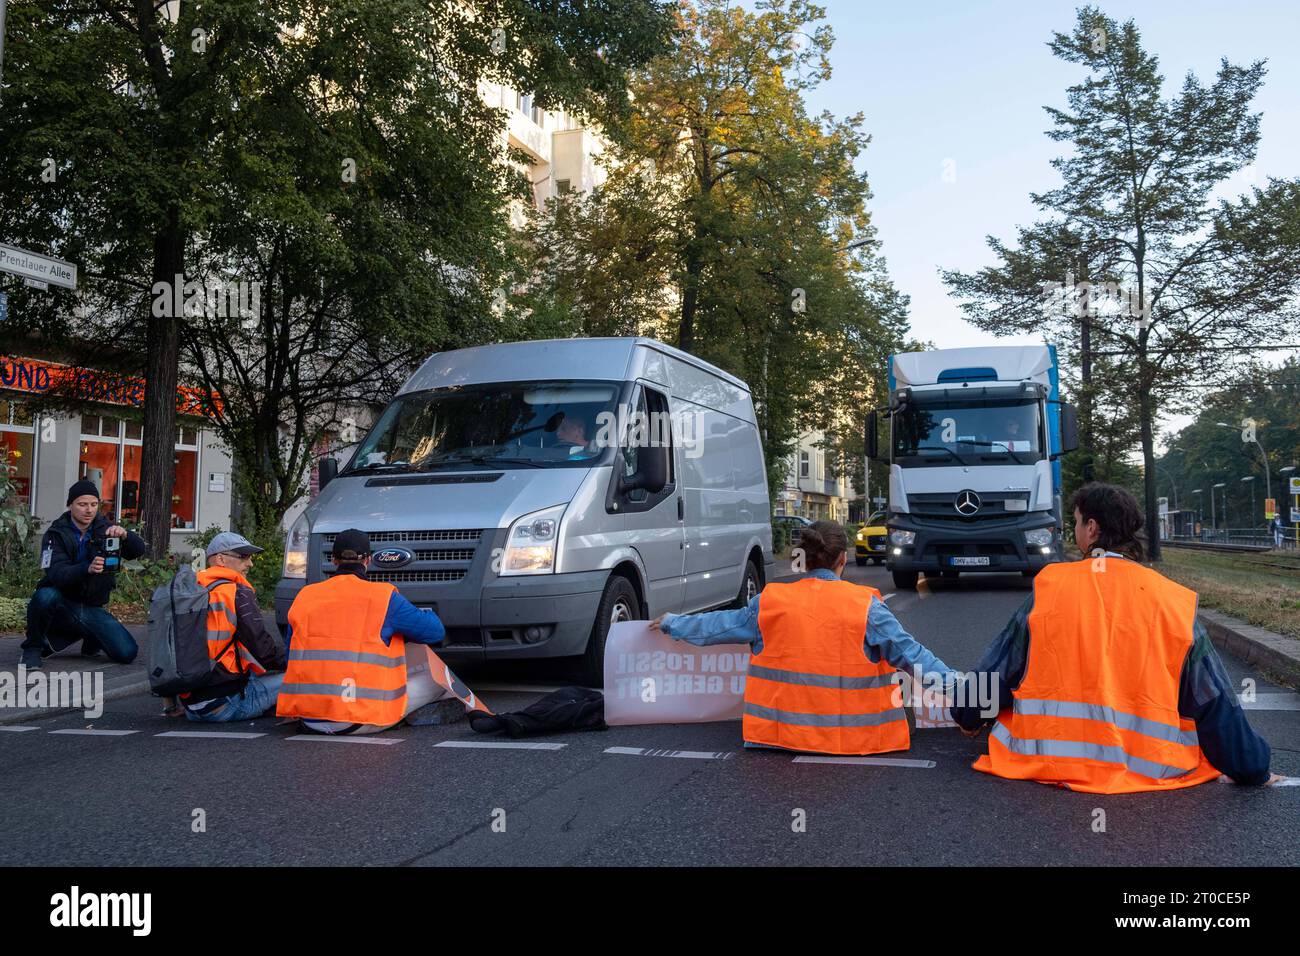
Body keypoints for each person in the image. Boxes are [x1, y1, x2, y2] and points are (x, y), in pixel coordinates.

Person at [952, 482, 1276, 793]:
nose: (1074, 530)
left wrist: (968, 714)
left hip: (1044, 760)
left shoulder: (1051, 588)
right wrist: (1251, 768)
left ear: (1092, 528)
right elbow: (1213, 698)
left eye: (1076, 522)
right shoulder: (1172, 601)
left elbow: (1000, 667)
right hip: (1151, 768)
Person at [650, 520, 956, 756]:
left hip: (779, 738)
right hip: (856, 740)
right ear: (841, 561)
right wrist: (971, 694)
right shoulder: (866, 607)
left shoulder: (771, 601)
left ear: (804, 560)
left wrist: (672, 623)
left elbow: (716, 627)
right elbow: (914, 658)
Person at [277, 529, 463, 734]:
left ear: (334, 560)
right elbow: (435, 632)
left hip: (307, 716)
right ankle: (408, 714)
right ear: (368, 560)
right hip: (356, 719)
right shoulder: (382, 598)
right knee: (440, 677)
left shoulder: (305, 596)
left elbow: (290, 656)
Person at [21, 480, 148, 669]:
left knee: (127, 652)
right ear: (70, 505)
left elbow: (137, 551)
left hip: (91, 605)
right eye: (82, 504)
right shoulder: (54, 534)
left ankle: (89, 635)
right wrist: (86, 568)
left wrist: (126, 535)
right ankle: (33, 647)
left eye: (94, 504)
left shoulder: (106, 529)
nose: (89, 510)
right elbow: (56, 573)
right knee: (44, 595)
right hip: (62, 602)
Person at [178, 532, 288, 722]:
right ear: (220, 559)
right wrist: (298, 662)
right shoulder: (235, 592)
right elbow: (263, 650)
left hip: (191, 706)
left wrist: (171, 705)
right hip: (227, 704)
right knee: (304, 677)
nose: (250, 564)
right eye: (243, 557)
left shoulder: (188, 591)